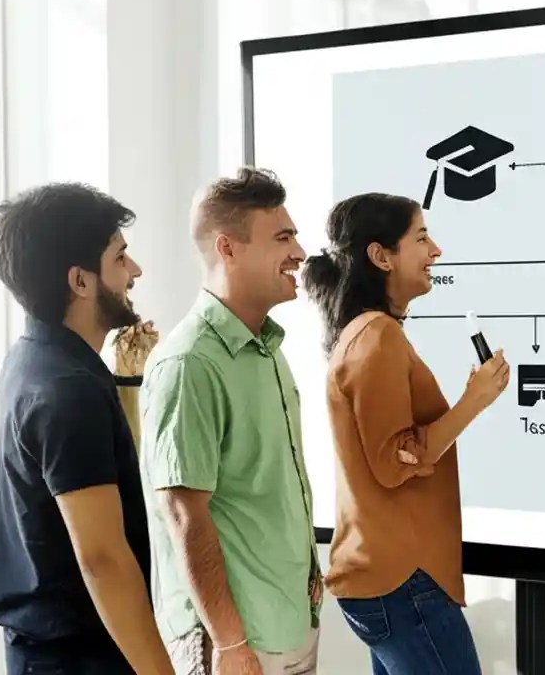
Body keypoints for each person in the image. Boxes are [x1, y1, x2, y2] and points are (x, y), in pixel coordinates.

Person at [300, 191, 510, 674]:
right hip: (402, 580)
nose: (435, 250)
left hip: (386, 575)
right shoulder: (377, 336)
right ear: (381, 256)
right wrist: (475, 399)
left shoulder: (365, 332)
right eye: (421, 238)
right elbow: (396, 462)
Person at [140, 167, 321, 675]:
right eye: (283, 238)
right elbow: (184, 515)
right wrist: (228, 643)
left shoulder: (268, 349)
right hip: (236, 646)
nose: (300, 253)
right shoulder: (189, 363)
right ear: (228, 248)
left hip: (287, 626)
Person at [0, 183, 174, 675]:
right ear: (80, 280)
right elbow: (102, 558)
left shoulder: (35, 359)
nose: (135, 271)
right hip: (77, 659)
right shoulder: (67, 390)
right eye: (120, 257)